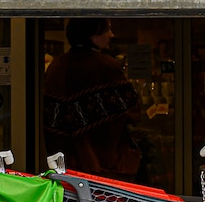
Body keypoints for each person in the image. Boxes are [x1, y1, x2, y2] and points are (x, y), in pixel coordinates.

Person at [41, 16, 144, 178]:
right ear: (92, 35)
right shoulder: (106, 67)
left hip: (65, 164)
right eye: (107, 29)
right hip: (105, 164)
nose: (111, 35)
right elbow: (133, 111)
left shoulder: (57, 66)